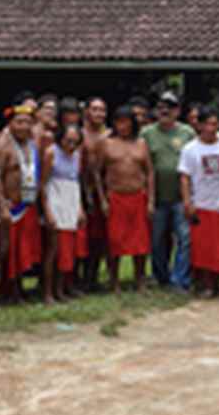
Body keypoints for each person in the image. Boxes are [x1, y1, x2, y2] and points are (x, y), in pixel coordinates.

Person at [179, 106, 219, 298]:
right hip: (202, 204)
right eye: (207, 124)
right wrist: (187, 202)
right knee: (204, 249)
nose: (211, 128)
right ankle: (209, 286)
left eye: (215, 124)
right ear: (199, 125)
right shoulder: (190, 149)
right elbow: (185, 177)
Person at [141, 91, 195, 292]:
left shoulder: (187, 132)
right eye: (161, 107)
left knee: (185, 238)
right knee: (157, 241)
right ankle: (160, 276)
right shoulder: (146, 133)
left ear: (178, 111)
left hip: (181, 197)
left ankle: (179, 279)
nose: (165, 111)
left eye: (170, 107)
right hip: (157, 197)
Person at [96, 105, 153, 293]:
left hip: (138, 196)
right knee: (115, 241)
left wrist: (151, 200)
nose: (123, 126)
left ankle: (140, 279)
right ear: (114, 124)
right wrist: (102, 199)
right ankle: (114, 281)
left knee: (140, 242)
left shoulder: (141, 143)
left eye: (127, 122)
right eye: (120, 122)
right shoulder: (107, 143)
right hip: (115, 197)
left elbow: (150, 172)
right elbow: (97, 172)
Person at [0, 103, 43, 302]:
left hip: (28, 203)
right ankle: (8, 290)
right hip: (11, 206)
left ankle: (19, 287)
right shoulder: (3, 145)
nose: (24, 126)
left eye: (28, 122)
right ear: (10, 124)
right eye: (19, 122)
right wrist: (2, 205)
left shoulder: (32, 144)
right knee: (9, 250)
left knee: (24, 250)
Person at [42, 124, 87, 302]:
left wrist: (80, 208)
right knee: (53, 249)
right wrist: (48, 211)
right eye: (68, 141)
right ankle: (48, 292)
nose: (71, 145)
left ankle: (60, 290)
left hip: (71, 202)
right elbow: (43, 185)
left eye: (75, 142)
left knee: (67, 250)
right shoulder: (51, 153)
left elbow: (77, 183)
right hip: (55, 200)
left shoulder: (77, 155)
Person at [81, 97, 111, 290]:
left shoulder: (109, 135)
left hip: (103, 191)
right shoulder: (79, 134)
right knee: (81, 237)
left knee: (100, 237)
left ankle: (93, 276)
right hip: (78, 189)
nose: (98, 114)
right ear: (87, 112)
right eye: (95, 109)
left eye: (102, 110)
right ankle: (76, 277)